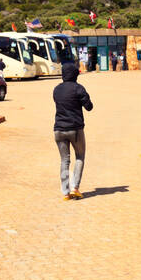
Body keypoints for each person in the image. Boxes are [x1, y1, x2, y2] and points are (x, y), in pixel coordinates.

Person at [52, 62, 93, 200]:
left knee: (64, 160)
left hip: (58, 130)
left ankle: (66, 192)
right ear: (75, 74)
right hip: (75, 129)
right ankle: (75, 187)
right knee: (80, 156)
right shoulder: (78, 88)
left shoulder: (56, 89)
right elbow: (89, 107)